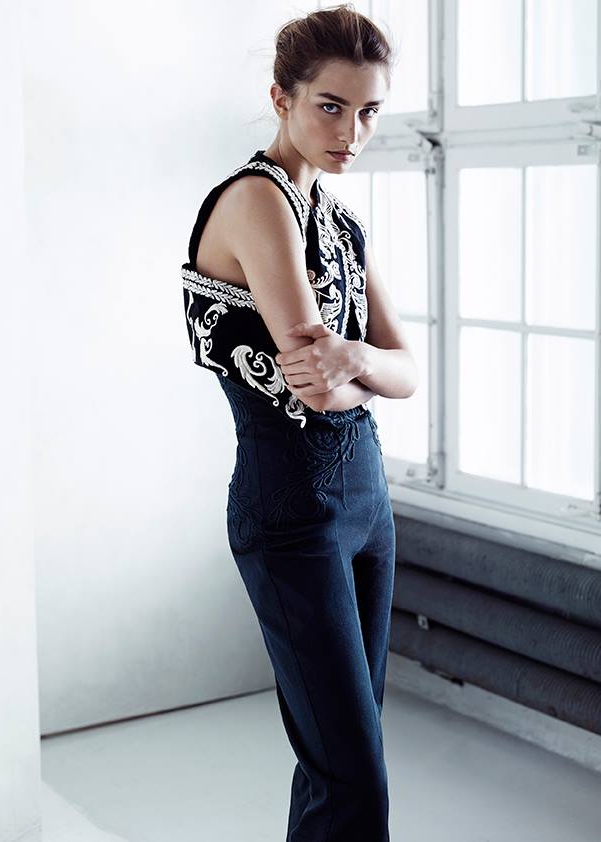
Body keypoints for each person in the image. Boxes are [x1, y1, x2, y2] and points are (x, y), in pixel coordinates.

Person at [181, 4, 417, 839]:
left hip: (367, 506)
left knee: (343, 757)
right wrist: (360, 366)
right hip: (290, 511)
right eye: (330, 106)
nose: (352, 132)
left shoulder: (343, 222)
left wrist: (355, 360)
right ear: (280, 98)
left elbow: (406, 371)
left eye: (369, 112)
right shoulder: (255, 200)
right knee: (351, 775)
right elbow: (318, 391)